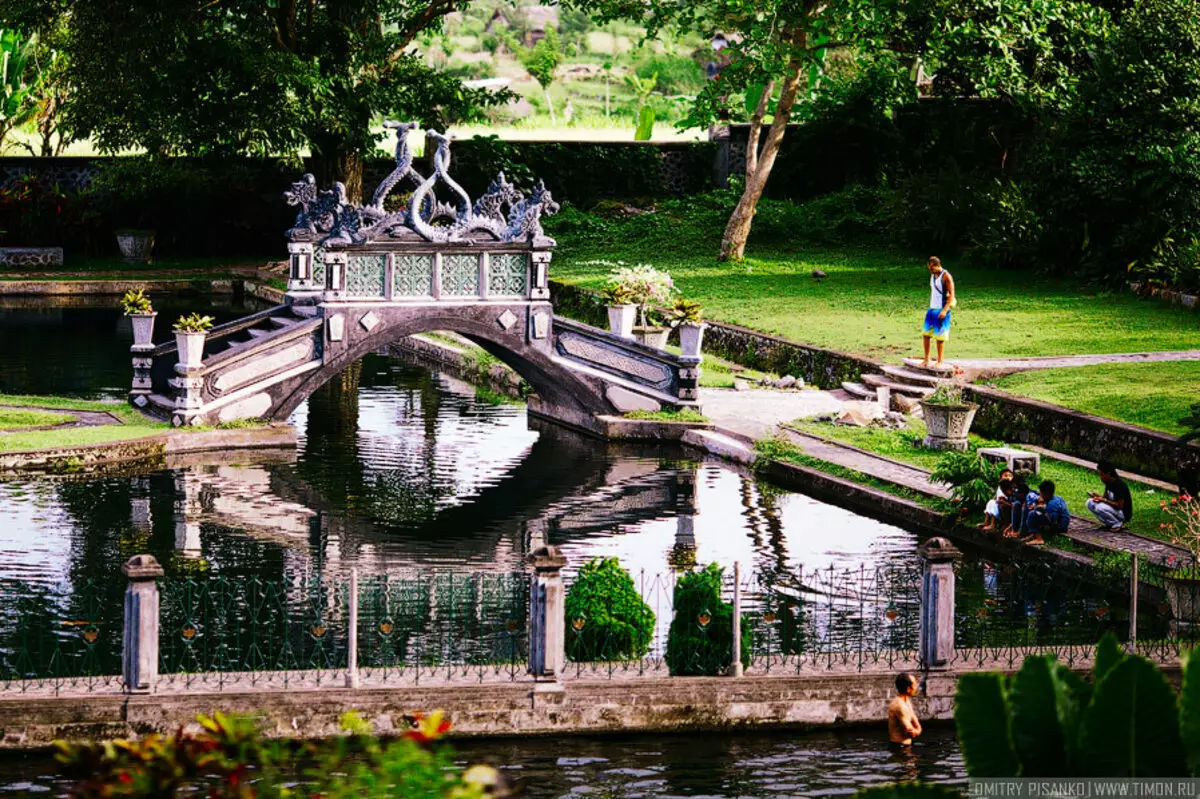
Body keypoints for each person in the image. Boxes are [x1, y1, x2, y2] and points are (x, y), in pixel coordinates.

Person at [920, 256, 956, 369]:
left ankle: (940, 360)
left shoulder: (946, 276)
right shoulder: (932, 275)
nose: (930, 270)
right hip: (932, 309)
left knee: (940, 336)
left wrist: (945, 310)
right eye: (929, 268)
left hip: (941, 309)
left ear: (937, 265)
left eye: (932, 268)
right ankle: (927, 359)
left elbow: (951, 295)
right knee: (926, 334)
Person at [1087, 459, 1133, 532]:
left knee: (1100, 507)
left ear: (1108, 473)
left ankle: (1117, 524)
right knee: (1089, 502)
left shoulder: (1119, 485)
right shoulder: (1108, 483)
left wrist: (1103, 500)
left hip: (1123, 513)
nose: (1100, 477)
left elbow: (1119, 505)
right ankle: (1109, 523)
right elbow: (1106, 498)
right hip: (1114, 509)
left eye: (1101, 474)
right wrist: (1098, 497)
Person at [1022, 480, 1071, 546]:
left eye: (1041, 493)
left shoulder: (1052, 504)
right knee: (1030, 510)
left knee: (1032, 514)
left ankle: (1039, 539)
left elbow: (1053, 520)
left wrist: (1038, 509)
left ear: (1046, 493)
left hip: (1060, 526)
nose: (1039, 494)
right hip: (1056, 522)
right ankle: (1033, 533)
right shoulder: (1056, 498)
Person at [888, 673, 923, 746]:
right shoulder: (899, 706)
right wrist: (917, 731)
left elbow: (916, 725)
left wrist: (917, 730)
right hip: (898, 747)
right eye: (914, 685)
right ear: (908, 689)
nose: (916, 688)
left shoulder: (906, 701)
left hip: (906, 745)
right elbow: (911, 734)